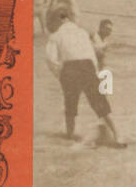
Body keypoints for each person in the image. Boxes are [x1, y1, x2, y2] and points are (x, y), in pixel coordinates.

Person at [45, 9, 123, 147]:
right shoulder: (82, 32)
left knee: (70, 105)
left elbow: (50, 59)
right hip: (88, 66)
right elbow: (92, 55)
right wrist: (94, 71)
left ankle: (70, 136)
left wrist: (60, 74)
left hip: (69, 69)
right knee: (100, 104)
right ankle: (117, 136)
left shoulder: (55, 35)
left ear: (57, 21)